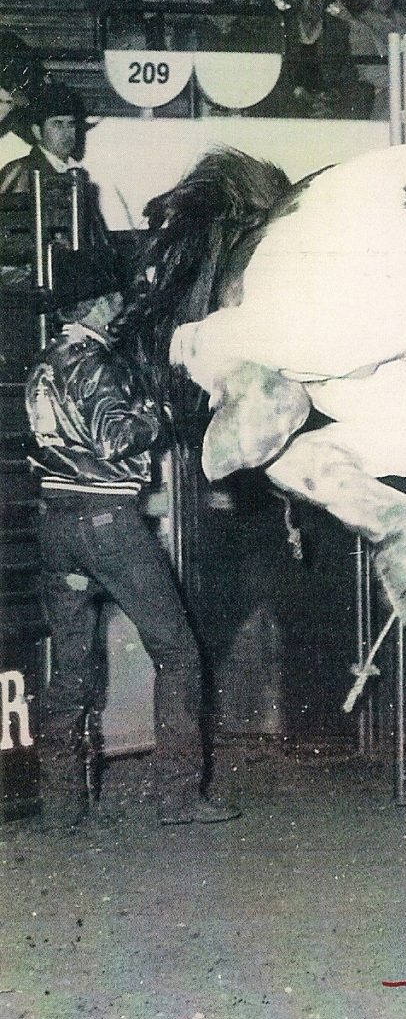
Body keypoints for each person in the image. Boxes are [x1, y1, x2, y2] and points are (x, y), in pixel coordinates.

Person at [26, 291, 241, 827]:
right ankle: (177, 797)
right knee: (178, 653)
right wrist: (161, 411)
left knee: (72, 669)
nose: (117, 309)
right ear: (89, 308)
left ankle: (62, 805)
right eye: (109, 301)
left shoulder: (42, 367)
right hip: (108, 525)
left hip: (56, 524)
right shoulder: (95, 363)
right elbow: (114, 437)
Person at [0, 82, 119, 303]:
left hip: (75, 288)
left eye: (71, 125)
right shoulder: (20, 172)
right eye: (57, 124)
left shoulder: (76, 175)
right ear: (37, 131)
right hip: (37, 291)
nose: (67, 133)